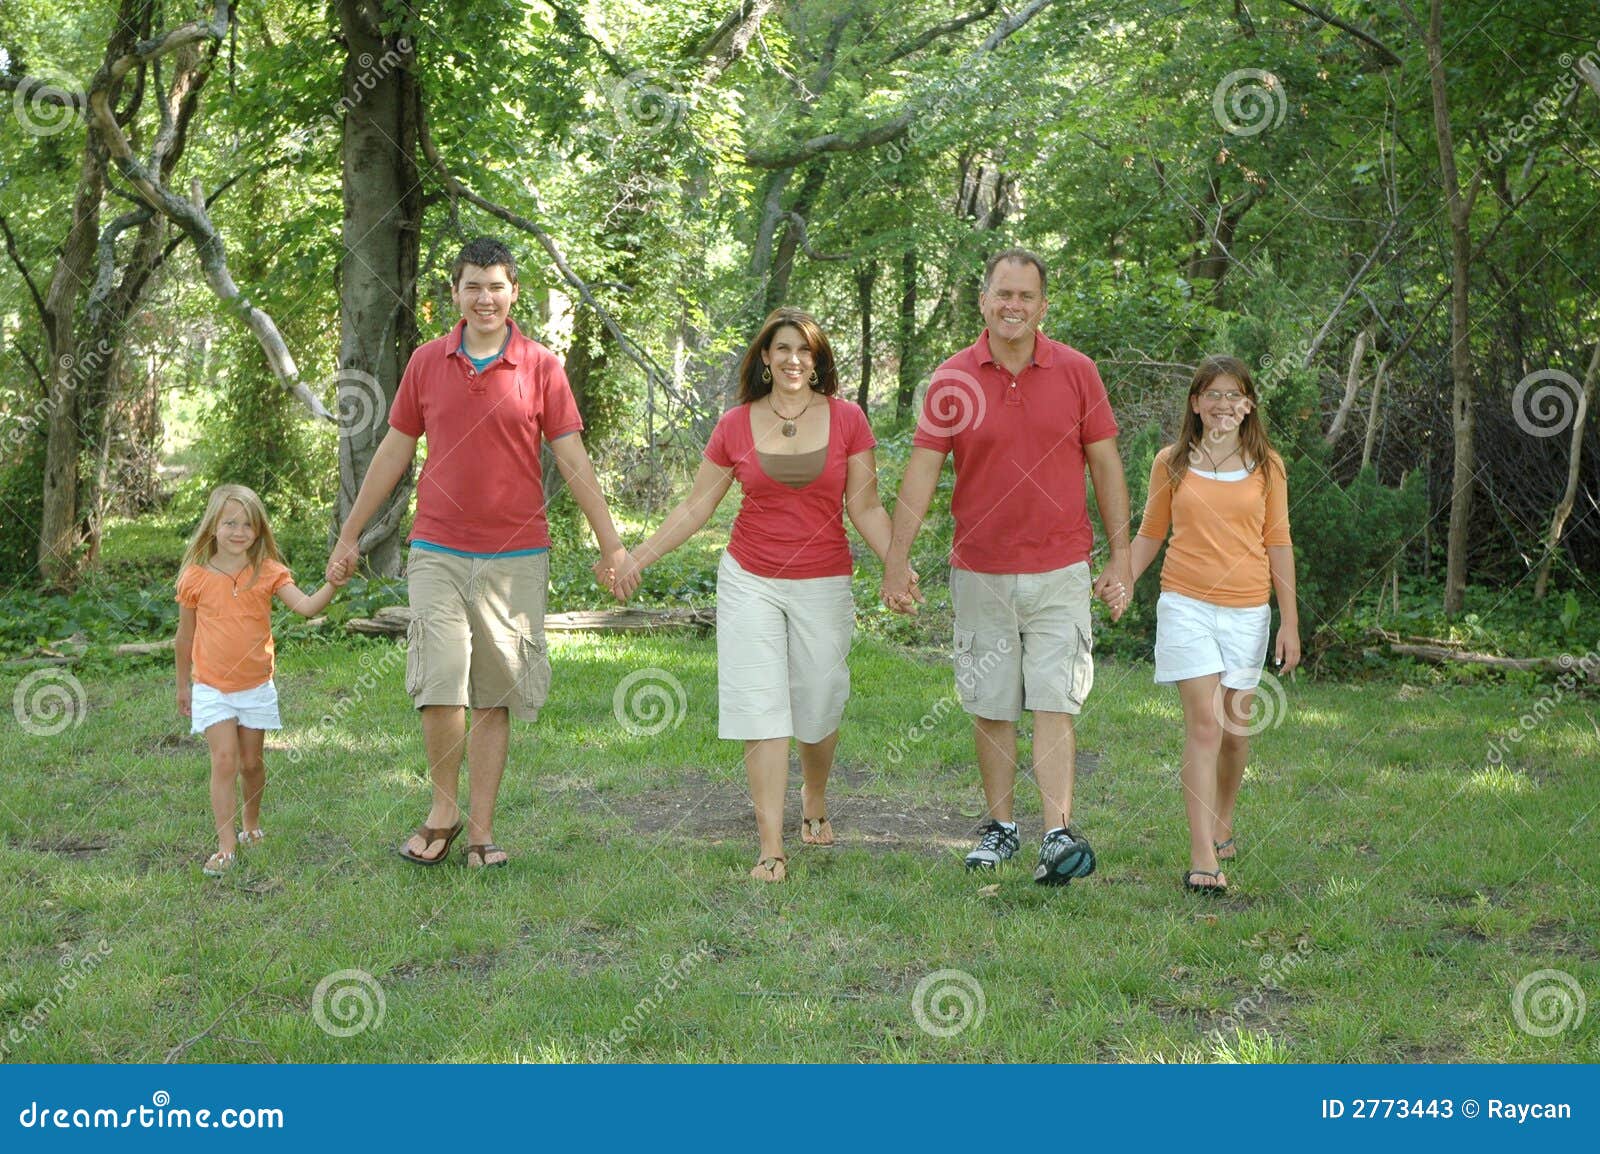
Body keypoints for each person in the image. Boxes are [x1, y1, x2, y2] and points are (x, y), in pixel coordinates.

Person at [328, 237, 629, 870]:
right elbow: (393, 451)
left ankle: (483, 831)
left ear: (513, 291)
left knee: (494, 693)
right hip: (436, 545)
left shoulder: (542, 366)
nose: (485, 297)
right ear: (456, 295)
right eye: (473, 286)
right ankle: (444, 812)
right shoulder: (426, 362)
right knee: (441, 679)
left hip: (517, 553)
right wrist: (351, 532)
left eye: (496, 285)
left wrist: (611, 543)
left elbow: (571, 459)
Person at [610, 308, 906, 883]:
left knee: (820, 699)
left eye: (805, 350)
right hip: (750, 577)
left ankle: (813, 797)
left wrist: (897, 566)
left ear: (818, 360)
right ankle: (771, 844)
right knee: (760, 703)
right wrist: (636, 557)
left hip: (824, 579)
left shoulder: (848, 420)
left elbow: (865, 506)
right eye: (783, 349)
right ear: (765, 358)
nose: (794, 359)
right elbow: (698, 506)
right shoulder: (736, 424)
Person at [882, 248, 1131, 886]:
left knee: (1055, 699)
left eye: (1025, 296)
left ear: (1042, 305)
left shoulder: (1078, 373)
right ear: (985, 301)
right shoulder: (953, 379)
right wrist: (896, 559)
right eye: (1003, 294)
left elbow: (1106, 467)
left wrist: (1121, 557)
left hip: (1060, 569)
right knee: (992, 705)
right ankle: (999, 828)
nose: (1013, 305)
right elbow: (922, 472)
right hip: (982, 570)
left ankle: (1056, 834)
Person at [1128, 355, 1299, 893]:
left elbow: (1279, 542)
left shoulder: (1267, 465)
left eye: (1234, 395)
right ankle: (1203, 857)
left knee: (1233, 732)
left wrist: (1289, 621)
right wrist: (1123, 578)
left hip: (1249, 608)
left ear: (1248, 405)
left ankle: (1223, 818)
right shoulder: (1170, 463)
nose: (1223, 404)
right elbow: (1151, 533)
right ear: (1195, 403)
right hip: (1186, 604)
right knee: (1203, 725)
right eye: (1213, 395)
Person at [175, 484, 349, 877]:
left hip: (255, 687)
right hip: (211, 686)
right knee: (224, 760)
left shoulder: (268, 572)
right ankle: (225, 846)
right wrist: (183, 684)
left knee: (252, 763)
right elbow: (184, 637)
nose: (239, 532)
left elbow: (306, 607)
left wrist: (333, 585)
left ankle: (251, 824)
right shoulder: (195, 578)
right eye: (230, 523)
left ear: (259, 531)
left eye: (247, 525)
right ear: (213, 526)